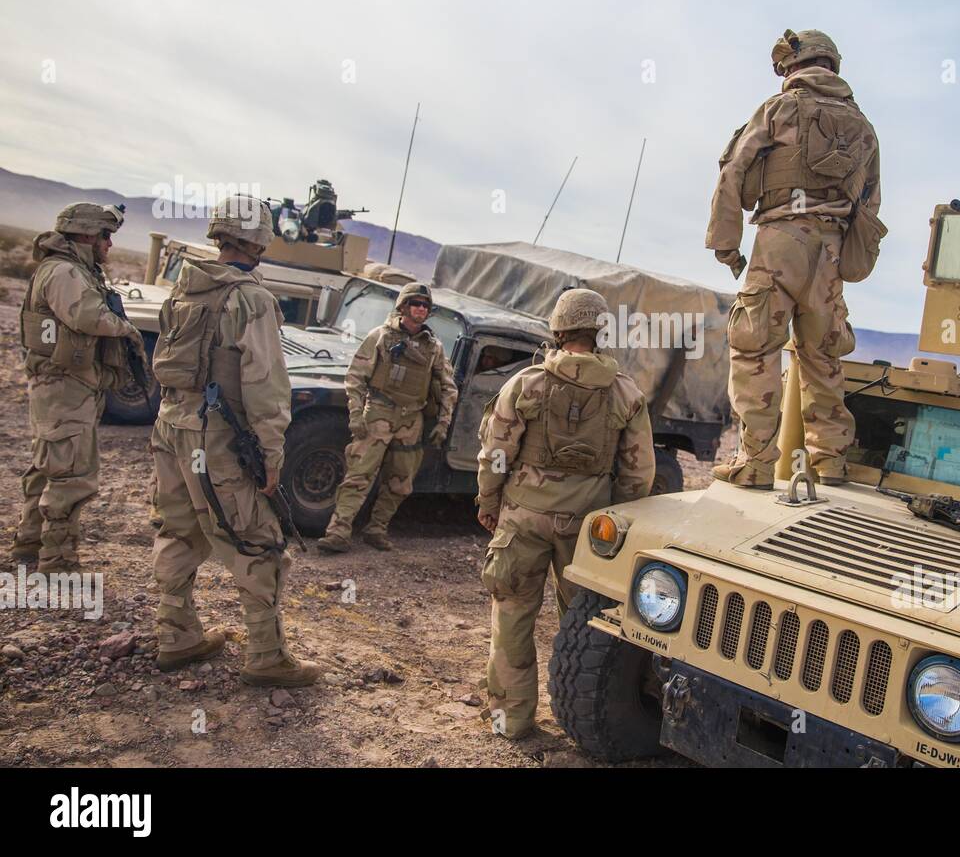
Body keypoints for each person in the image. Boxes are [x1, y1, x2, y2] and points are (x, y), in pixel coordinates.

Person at [149, 194, 319, 686]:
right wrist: (271, 455)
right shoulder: (251, 299)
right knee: (258, 540)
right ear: (261, 239)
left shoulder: (184, 289)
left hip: (171, 428)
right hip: (217, 441)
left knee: (178, 532)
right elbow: (266, 385)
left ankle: (175, 635)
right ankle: (266, 656)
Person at [707, 29, 885, 487]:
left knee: (754, 348)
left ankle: (757, 463)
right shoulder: (864, 128)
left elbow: (734, 171)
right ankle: (831, 462)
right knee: (823, 357)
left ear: (794, 65)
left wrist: (727, 243)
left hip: (782, 239)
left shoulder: (779, 108)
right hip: (831, 251)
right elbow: (870, 203)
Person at [475, 288, 654, 739]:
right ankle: (578, 714)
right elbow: (639, 474)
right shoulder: (626, 392)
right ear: (600, 332)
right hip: (587, 528)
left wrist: (489, 501)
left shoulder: (526, 383)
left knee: (513, 613)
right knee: (584, 623)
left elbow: (495, 454)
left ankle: (511, 717)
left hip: (522, 518)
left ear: (558, 329)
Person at [16, 203, 144, 572]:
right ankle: (57, 560)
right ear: (87, 235)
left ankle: (29, 542)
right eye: (106, 235)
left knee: (51, 466)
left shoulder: (68, 269)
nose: (109, 244)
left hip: (66, 384)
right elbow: (88, 316)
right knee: (72, 475)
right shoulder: (65, 272)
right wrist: (126, 329)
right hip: (64, 386)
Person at [317, 282, 457, 554]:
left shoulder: (434, 348)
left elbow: (449, 387)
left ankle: (377, 529)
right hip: (379, 412)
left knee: (401, 481)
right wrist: (356, 414)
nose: (421, 309)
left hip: (411, 420)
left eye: (425, 306)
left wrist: (443, 423)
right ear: (403, 307)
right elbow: (356, 377)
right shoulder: (381, 336)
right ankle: (338, 530)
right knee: (359, 475)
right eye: (416, 303)